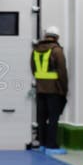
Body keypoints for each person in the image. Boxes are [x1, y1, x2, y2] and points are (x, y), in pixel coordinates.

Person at [30, 26, 68, 155]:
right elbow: (62, 72)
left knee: (41, 118)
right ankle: (51, 146)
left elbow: (34, 70)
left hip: (40, 90)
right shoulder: (57, 51)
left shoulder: (35, 51)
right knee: (53, 118)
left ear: (46, 36)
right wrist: (64, 89)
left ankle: (41, 143)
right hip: (54, 90)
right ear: (57, 37)